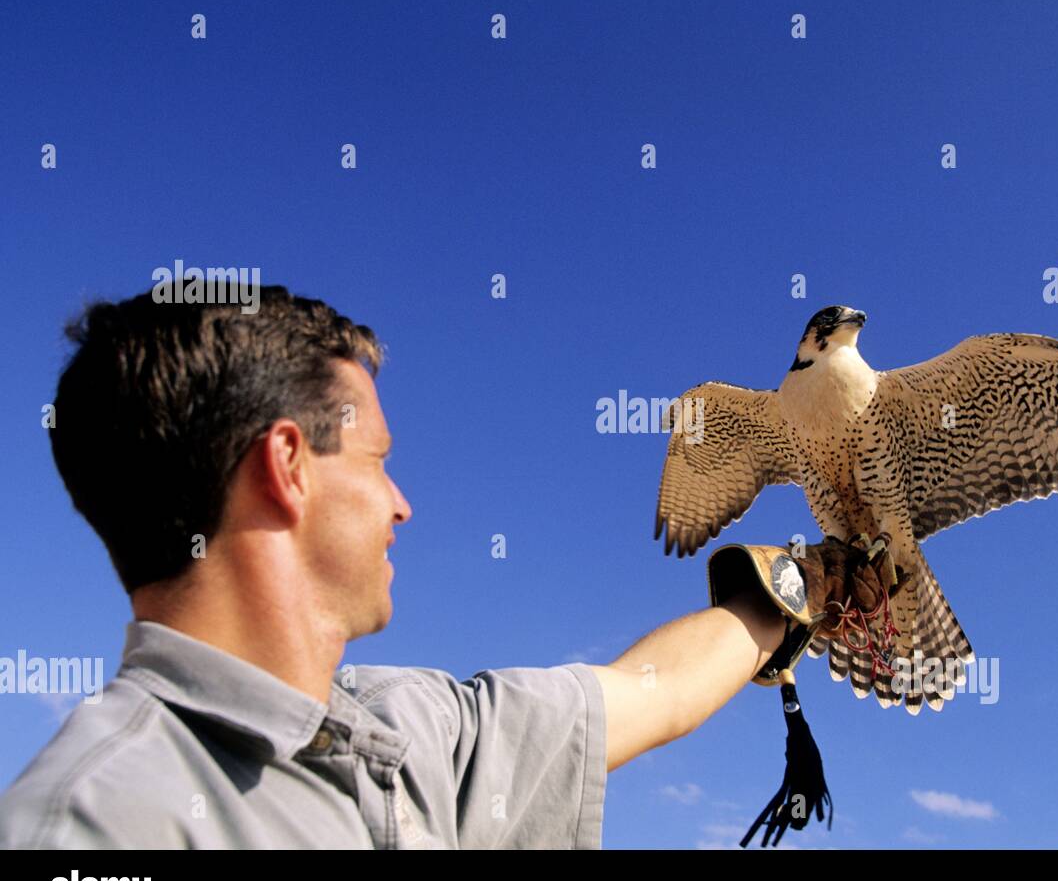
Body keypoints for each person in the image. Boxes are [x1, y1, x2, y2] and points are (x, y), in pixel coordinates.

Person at [0, 286, 882, 849]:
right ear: (288, 466)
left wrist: (801, 583)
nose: (402, 502)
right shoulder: (93, 828)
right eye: (378, 459)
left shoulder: (412, 735)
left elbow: (653, 691)